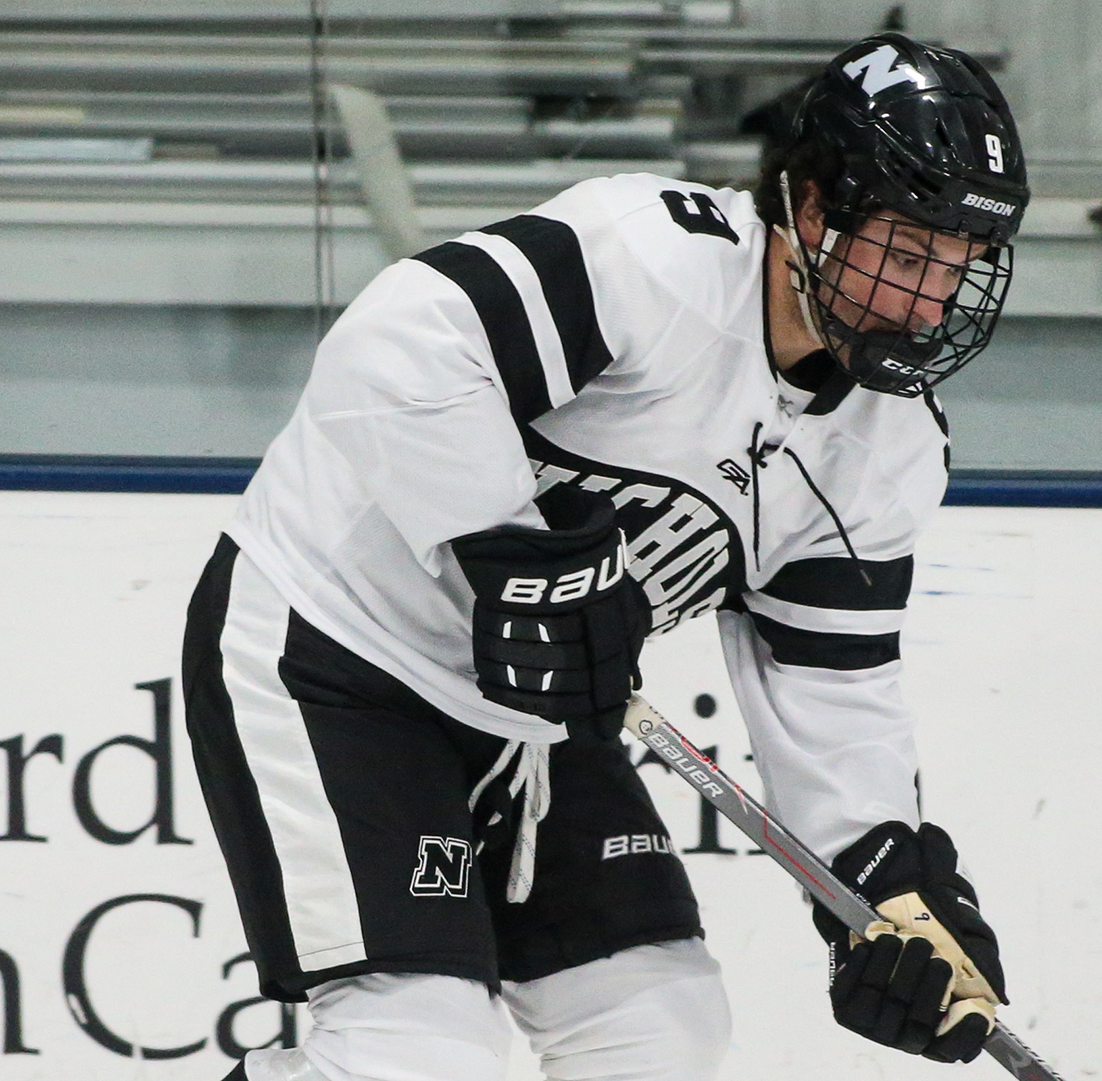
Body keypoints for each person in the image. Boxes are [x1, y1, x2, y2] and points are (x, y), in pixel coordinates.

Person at [181, 30, 1031, 1081]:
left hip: (534, 713)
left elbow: (828, 689)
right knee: (415, 1048)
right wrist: (508, 547)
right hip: (339, 650)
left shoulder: (888, 448)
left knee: (660, 1031)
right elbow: (400, 336)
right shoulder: (659, 258)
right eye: (907, 254)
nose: (928, 303)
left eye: (959, 264)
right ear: (813, 210)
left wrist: (895, 890)